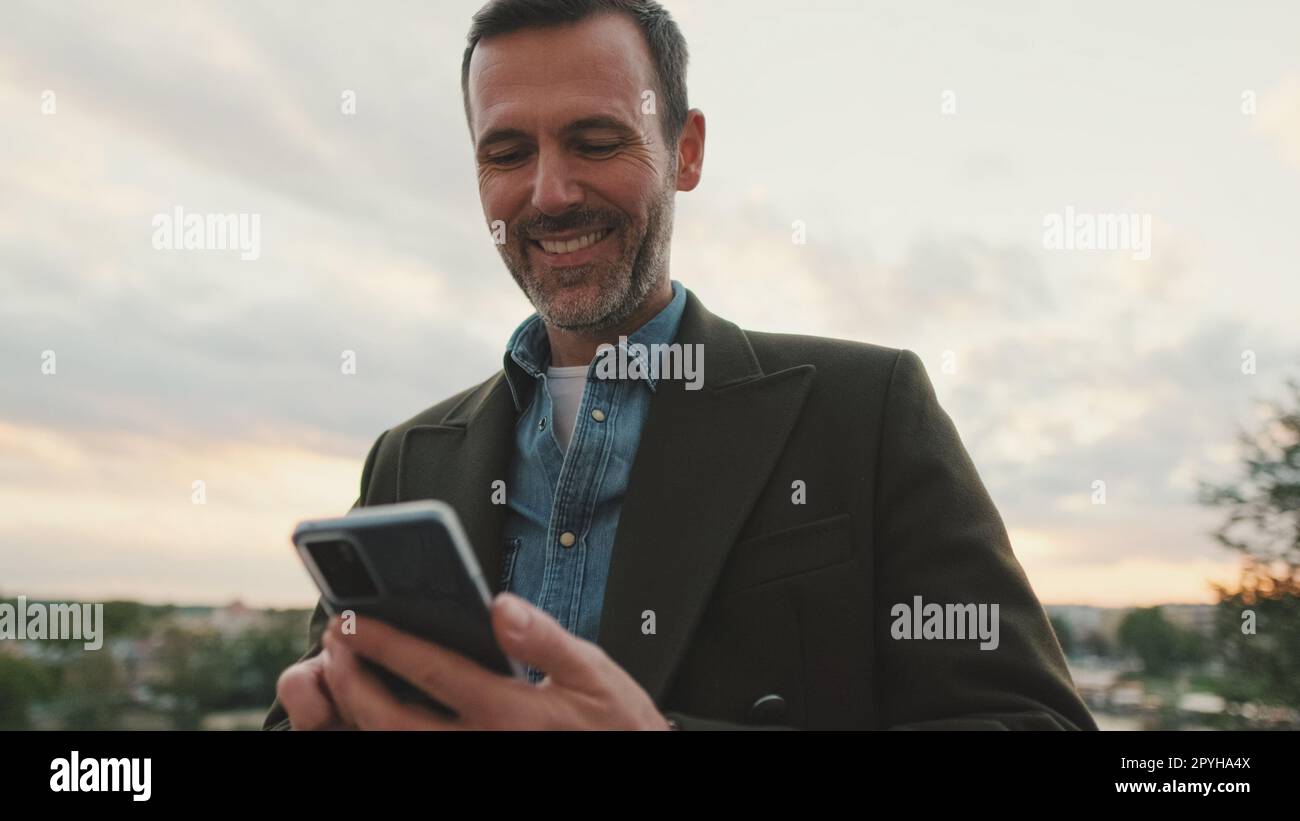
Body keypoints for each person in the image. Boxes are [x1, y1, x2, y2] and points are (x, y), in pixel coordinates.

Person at [264, 0, 1096, 731]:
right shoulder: (408, 458)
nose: (550, 192)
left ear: (686, 151)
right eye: (508, 152)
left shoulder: (867, 412)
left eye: (595, 141)